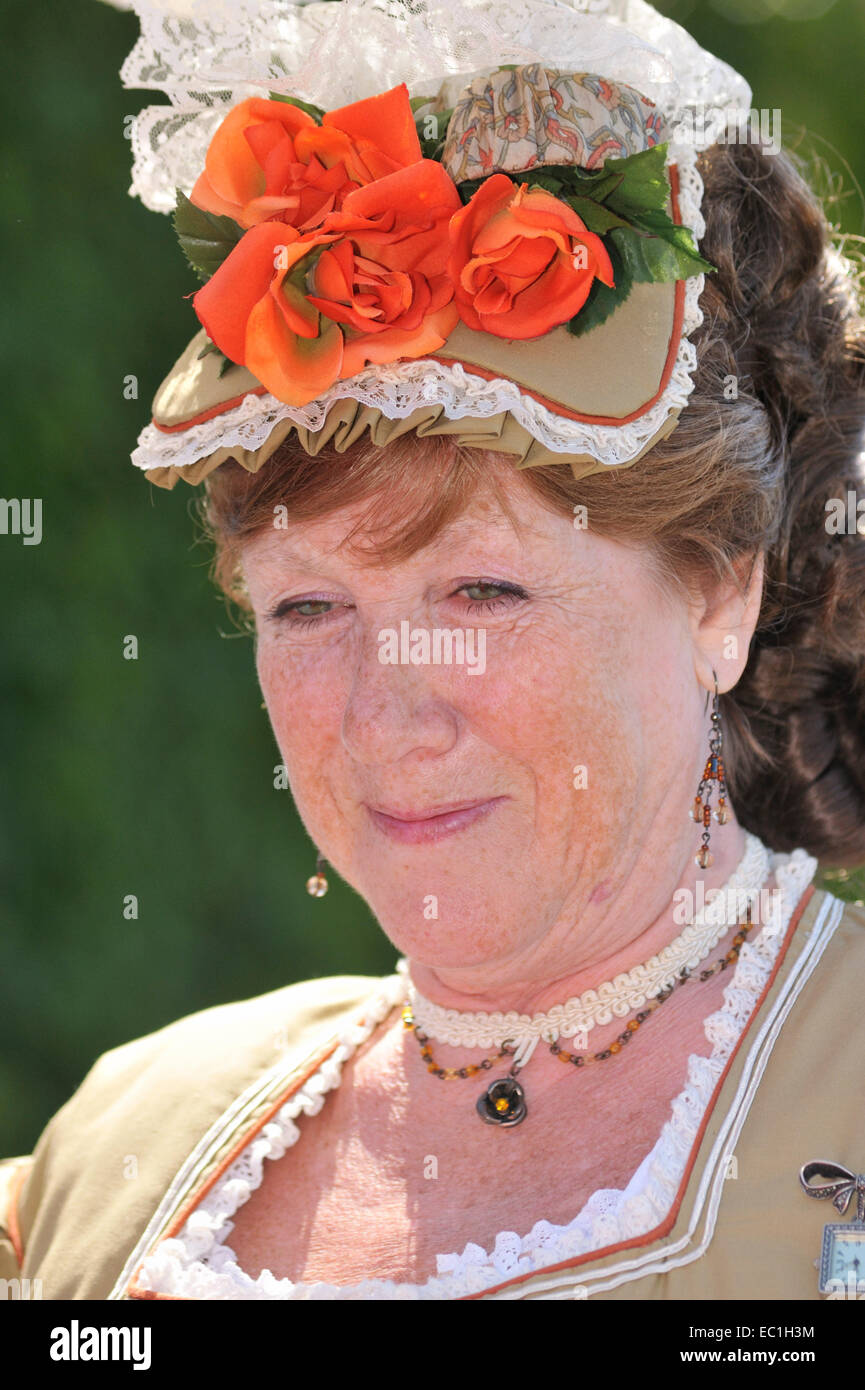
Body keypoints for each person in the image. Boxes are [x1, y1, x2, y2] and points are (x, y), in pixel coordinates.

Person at [2, 0, 864, 1301]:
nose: (380, 718)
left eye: (480, 590)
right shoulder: (121, 1143)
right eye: (306, 607)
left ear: (719, 593)